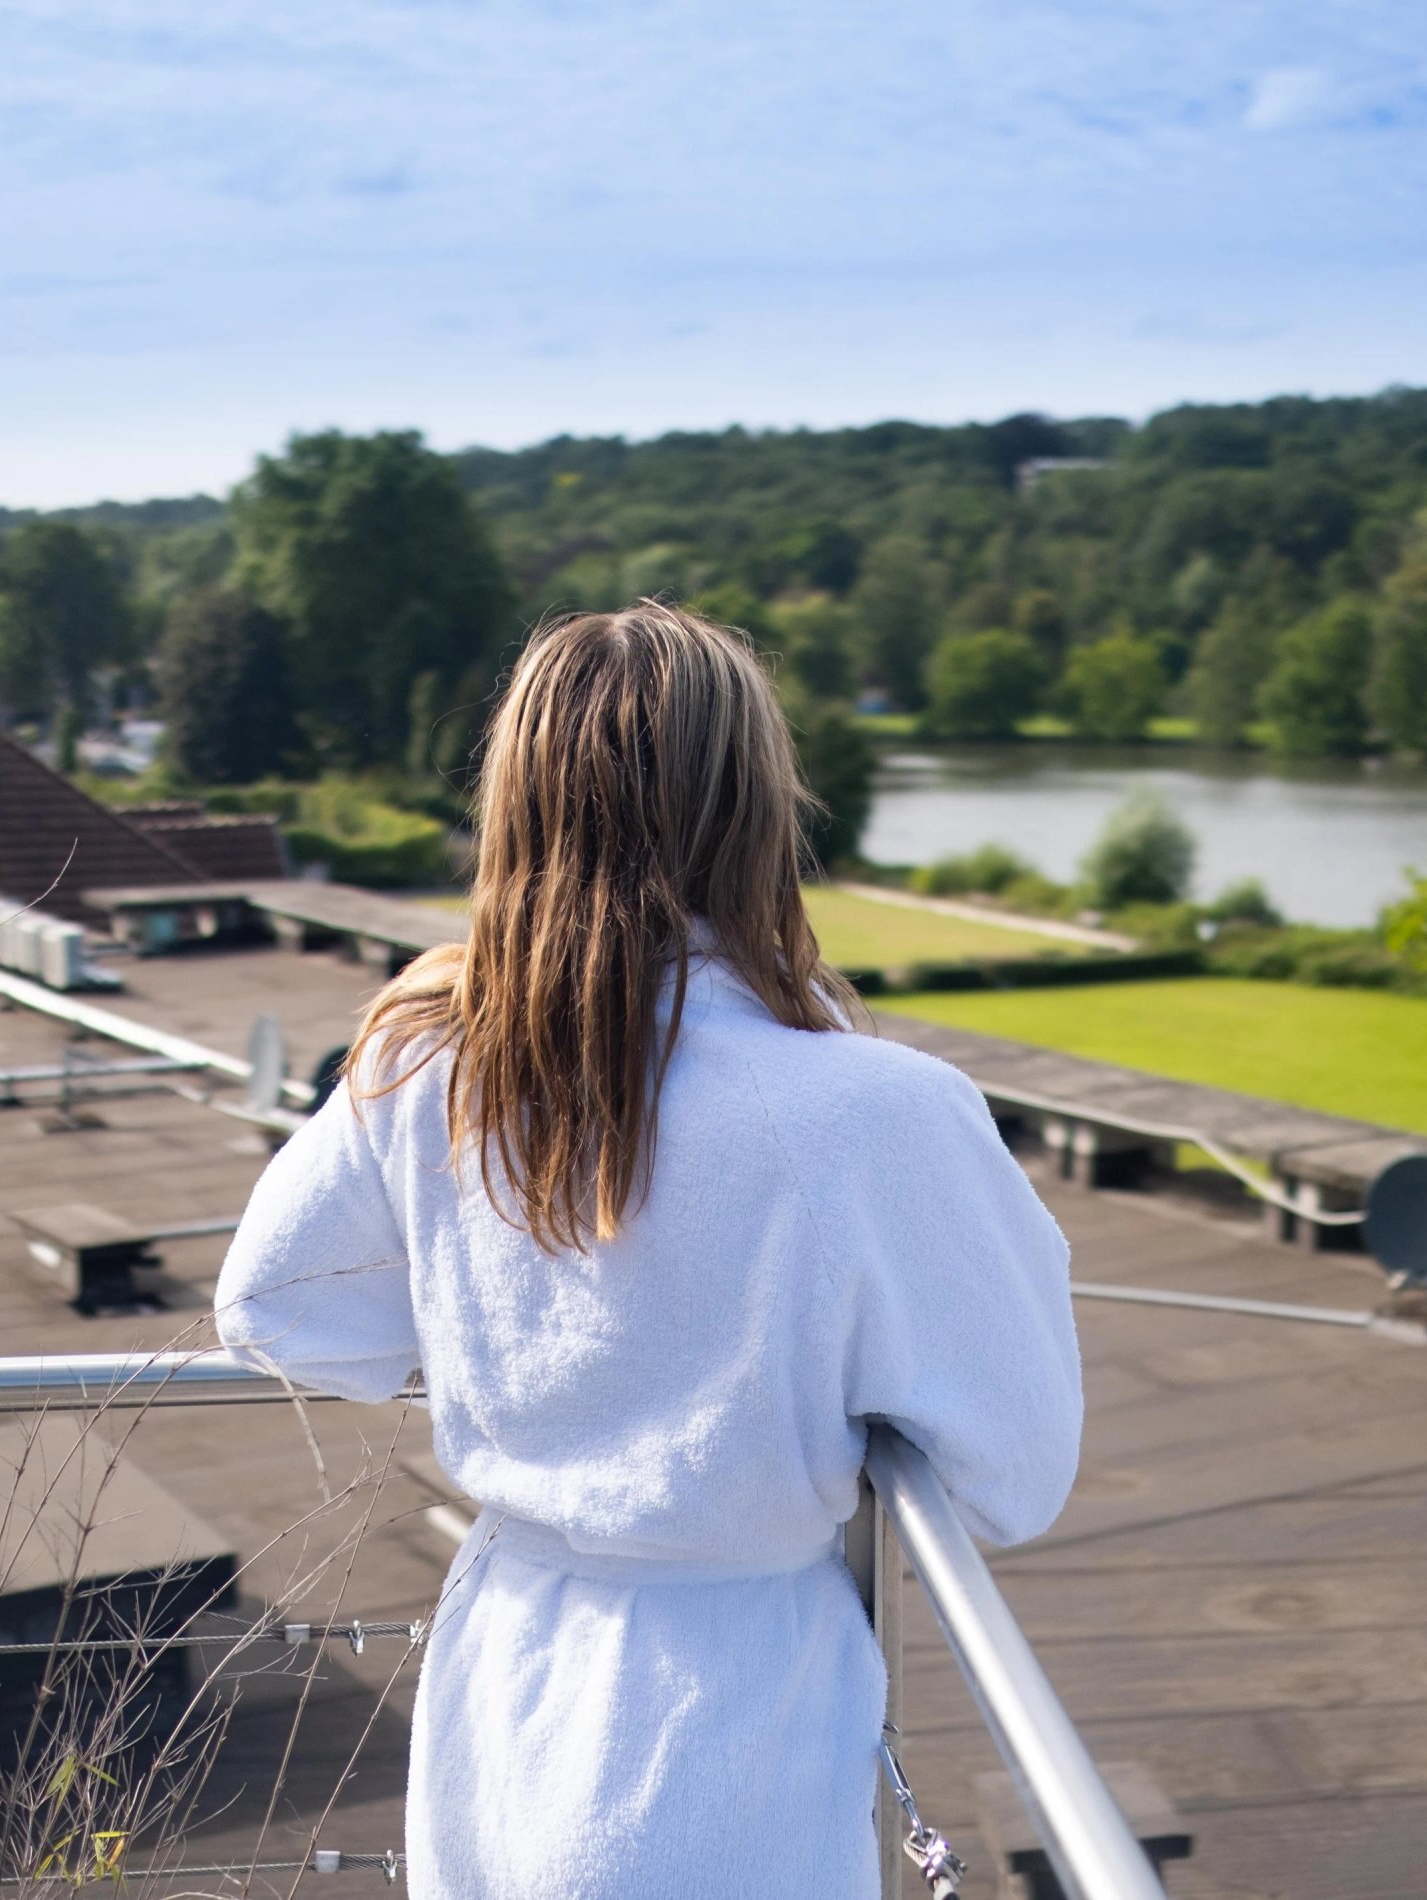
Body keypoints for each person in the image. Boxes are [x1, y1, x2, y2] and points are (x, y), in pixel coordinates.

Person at [213, 602, 1081, 1900]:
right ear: (758, 809)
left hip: (499, 1687)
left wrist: (495, 1334)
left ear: (518, 806)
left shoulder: (431, 1060)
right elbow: (1019, 1470)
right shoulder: (876, 1110)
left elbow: (276, 1305)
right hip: (725, 1721)